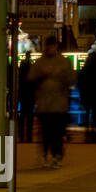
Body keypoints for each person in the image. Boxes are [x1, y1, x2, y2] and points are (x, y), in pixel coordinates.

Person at [28, 36, 74, 167]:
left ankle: (54, 154)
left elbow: (70, 79)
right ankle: (50, 155)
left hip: (55, 104)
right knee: (48, 132)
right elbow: (31, 79)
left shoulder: (42, 63)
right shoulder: (61, 62)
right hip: (48, 105)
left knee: (55, 132)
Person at [18, 52, 37, 142]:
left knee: (22, 115)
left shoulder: (22, 67)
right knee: (29, 116)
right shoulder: (31, 67)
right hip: (30, 95)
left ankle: (21, 135)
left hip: (23, 95)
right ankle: (28, 136)